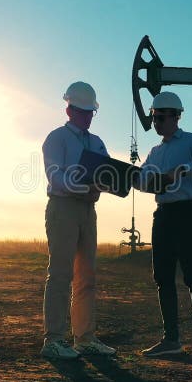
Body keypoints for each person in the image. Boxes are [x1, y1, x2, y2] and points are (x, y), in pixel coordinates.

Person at [137, 91, 192, 361]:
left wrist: (181, 170)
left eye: (160, 117)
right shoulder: (155, 151)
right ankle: (171, 339)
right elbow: (143, 178)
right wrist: (132, 178)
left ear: (176, 116)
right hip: (163, 215)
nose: (156, 122)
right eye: (154, 117)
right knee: (162, 277)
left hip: (186, 213)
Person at [40, 81, 116, 359]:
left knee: (87, 276)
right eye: (82, 112)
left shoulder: (96, 143)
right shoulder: (56, 138)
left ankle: (85, 338)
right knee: (60, 273)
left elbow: (107, 172)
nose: (86, 117)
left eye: (90, 113)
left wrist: (112, 182)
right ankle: (54, 340)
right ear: (69, 109)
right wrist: (84, 185)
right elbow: (55, 177)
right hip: (63, 208)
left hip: (87, 210)